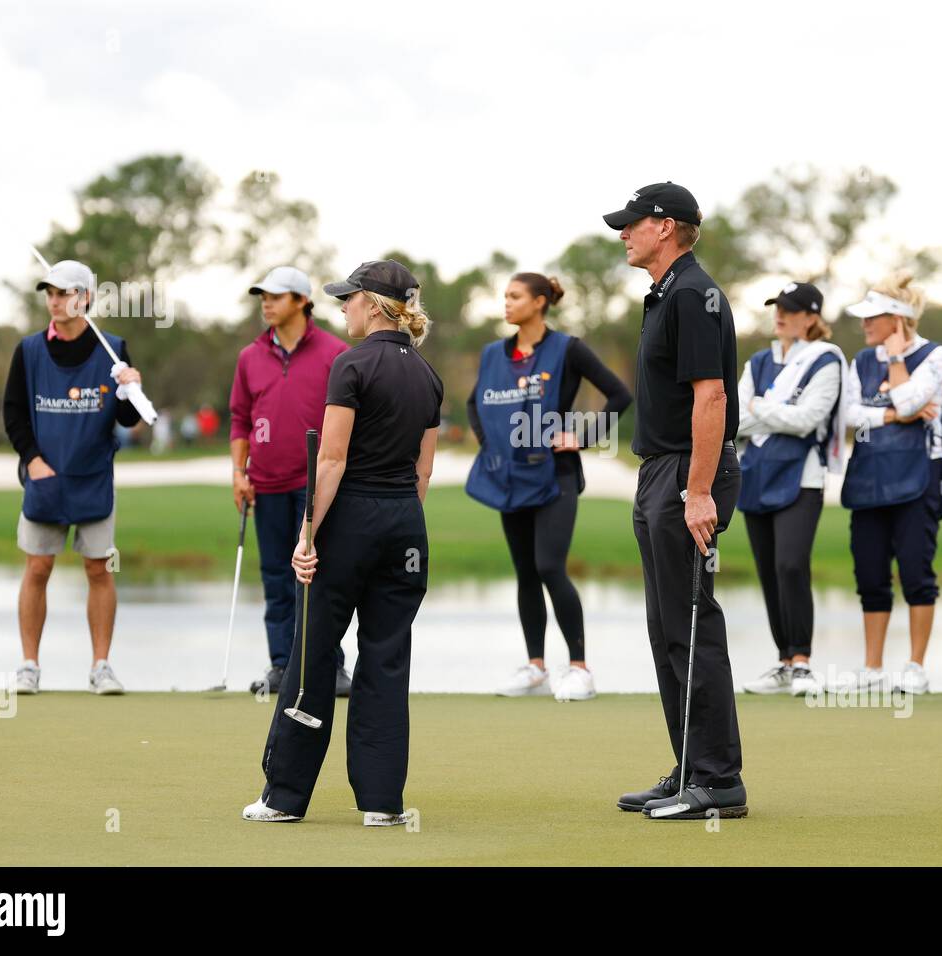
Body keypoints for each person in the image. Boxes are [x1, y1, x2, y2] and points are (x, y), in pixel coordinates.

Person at [243, 259, 443, 826]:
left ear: (375, 305)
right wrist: (398, 522)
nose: (342, 307)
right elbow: (422, 475)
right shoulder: (428, 376)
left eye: (349, 299)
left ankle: (284, 797)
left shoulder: (348, 365)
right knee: (386, 662)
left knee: (312, 657)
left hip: (349, 522)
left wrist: (306, 534)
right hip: (406, 526)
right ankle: (381, 803)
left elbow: (331, 460)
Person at [602, 182, 747, 820]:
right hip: (662, 470)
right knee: (667, 627)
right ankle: (691, 767)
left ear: (666, 227)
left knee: (691, 624)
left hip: (689, 472)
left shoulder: (693, 293)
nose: (624, 233)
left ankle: (718, 781)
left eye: (633, 223)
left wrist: (696, 491)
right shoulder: (666, 293)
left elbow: (710, 398)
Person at [466, 273, 632, 701]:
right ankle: (535, 667)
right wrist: (493, 448)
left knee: (549, 566)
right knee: (525, 572)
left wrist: (583, 436)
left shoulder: (567, 349)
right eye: (504, 296)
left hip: (555, 476)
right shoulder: (493, 354)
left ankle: (580, 669)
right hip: (509, 478)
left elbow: (619, 395)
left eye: (515, 296)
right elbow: (473, 404)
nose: (507, 303)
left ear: (540, 302)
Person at [1, 260, 144, 695]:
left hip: (93, 475)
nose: (55, 301)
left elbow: (128, 417)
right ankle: (29, 665)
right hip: (46, 474)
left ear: (85, 298)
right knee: (38, 567)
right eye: (50, 293)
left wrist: (129, 387)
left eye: (63, 293)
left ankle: (101, 666)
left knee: (99, 569)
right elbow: (14, 412)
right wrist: (32, 459)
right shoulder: (27, 350)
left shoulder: (112, 348)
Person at [230, 266, 352, 698]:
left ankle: (330, 666)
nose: (267, 303)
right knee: (276, 578)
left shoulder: (335, 352)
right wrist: (238, 473)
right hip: (265, 483)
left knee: (320, 575)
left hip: (315, 485)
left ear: (302, 301)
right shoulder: (250, 357)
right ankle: (282, 665)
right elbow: (240, 419)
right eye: (263, 296)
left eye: (276, 296)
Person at [840, 272, 942, 695]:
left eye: (874, 317)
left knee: (915, 570)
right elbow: (849, 414)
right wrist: (892, 415)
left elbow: (911, 400)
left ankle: (915, 667)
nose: (865, 325)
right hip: (869, 475)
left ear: (899, 319)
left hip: (919, 476)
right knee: (870, 573)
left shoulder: (936, 356)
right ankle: (872, 668)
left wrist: (895, 362)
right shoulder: (860, 360)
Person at [737, 282, 846, 696]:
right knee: (768, 572)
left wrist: (759, 408)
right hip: (758, 472)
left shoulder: (826, 361)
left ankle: (802, 662)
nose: (780, 315)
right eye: (777, 308)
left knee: (791, 565)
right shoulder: (759, 361)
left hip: (803, 477)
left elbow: (808, 420)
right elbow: (735, 419)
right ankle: (783, 660)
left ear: (812, 317)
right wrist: (767, 413)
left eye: (790, 309)